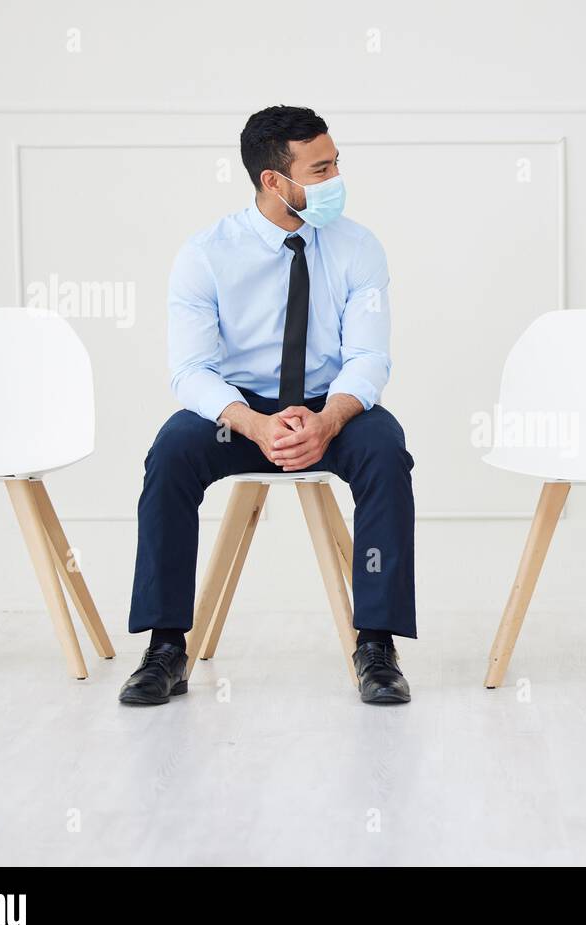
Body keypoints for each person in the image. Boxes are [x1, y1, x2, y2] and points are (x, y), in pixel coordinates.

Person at [119, 106, 416, 707]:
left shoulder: (359, 247)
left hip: (331, 405)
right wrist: (253, 424)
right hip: (240, 408)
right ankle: (166, 646)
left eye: (336, 164)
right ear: (273, 181)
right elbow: (191, 370)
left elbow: (368, 359)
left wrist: (329, 419)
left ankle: (377, 645)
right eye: (321, 168)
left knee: (385, 451)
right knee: (171, 452)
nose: (336, 179)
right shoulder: (205, 255)